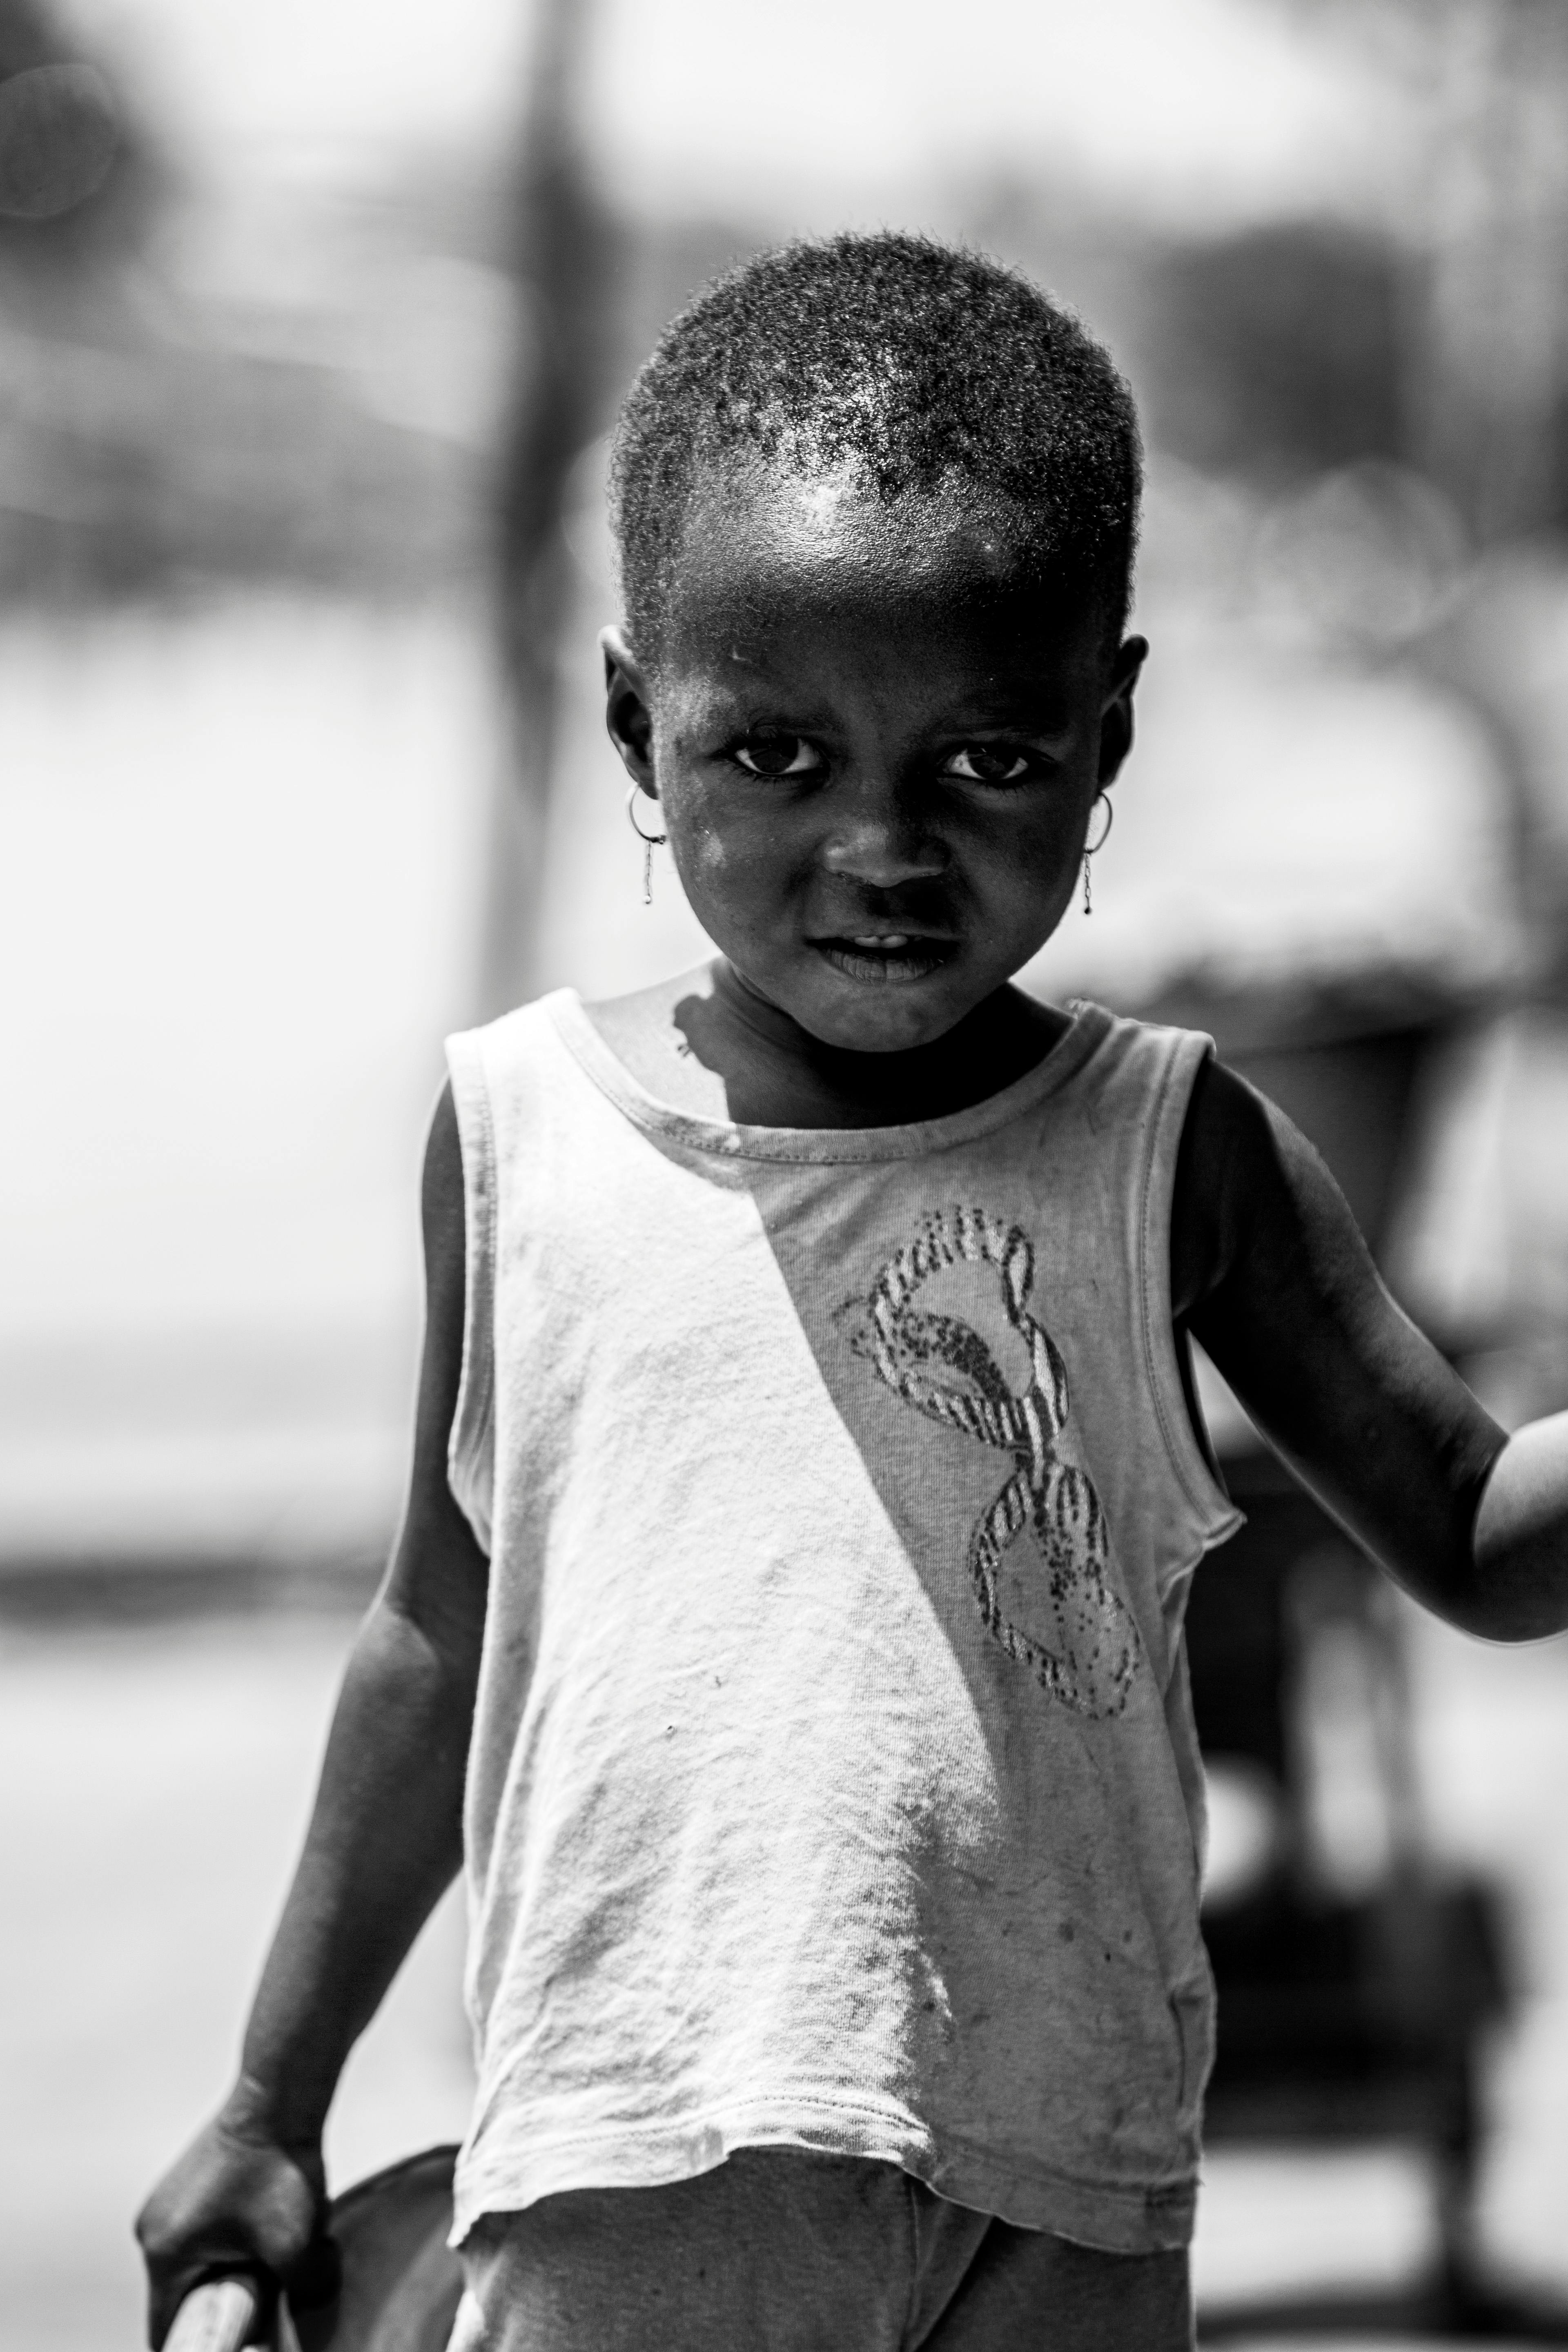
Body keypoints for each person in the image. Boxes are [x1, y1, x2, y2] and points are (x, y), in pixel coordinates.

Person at [136, 232, 1568, 2352]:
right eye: (776, 759)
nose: (883, 844)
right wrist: (272, 2097)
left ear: (1108, 738)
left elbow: (1474, 1538)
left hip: (1064, 2189)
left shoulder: (1175, 1155)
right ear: (641, 733)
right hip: (640, 2169)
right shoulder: (526, 1141)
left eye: (986, 760)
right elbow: (438, 1637)